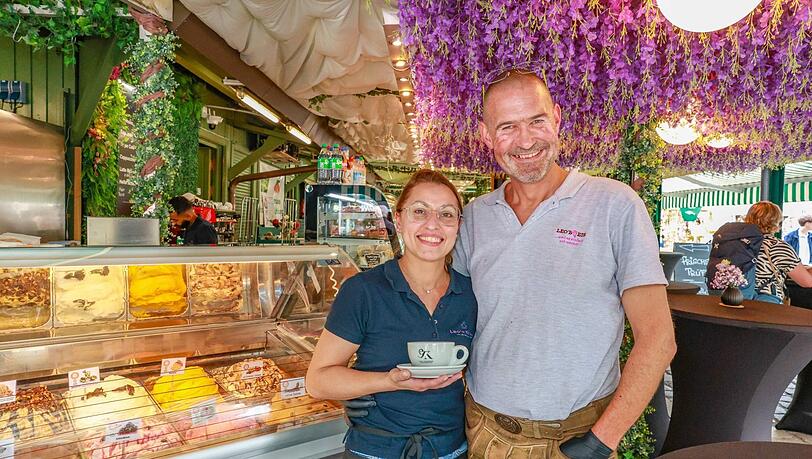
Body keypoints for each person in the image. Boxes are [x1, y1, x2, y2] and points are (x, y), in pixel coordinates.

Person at [453, 69, 677, 458]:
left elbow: (659, 339)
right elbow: (438, 312)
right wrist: (386, 381)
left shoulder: (615, 205)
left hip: (577, 437)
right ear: (487, 136)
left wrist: (600, 442)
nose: (525, 141)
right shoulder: (473, 217)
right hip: (482, 430)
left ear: (557, 118)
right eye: (507, 127)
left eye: (536, 121)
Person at [307, 170, 477, 459]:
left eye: (446, 214)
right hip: (376, 450)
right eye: (419, 211)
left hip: (452, 449)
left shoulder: (470, 294)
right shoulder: (363, 291)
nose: (433, 225)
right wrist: (388, 381)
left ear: (458, 225)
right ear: (398, 219)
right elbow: (318, 381)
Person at [746, 202, 812, 303]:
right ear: (776, 223)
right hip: (766, 304)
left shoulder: (737, 242)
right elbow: (807, 282)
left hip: (733, 300)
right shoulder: (777, 246)